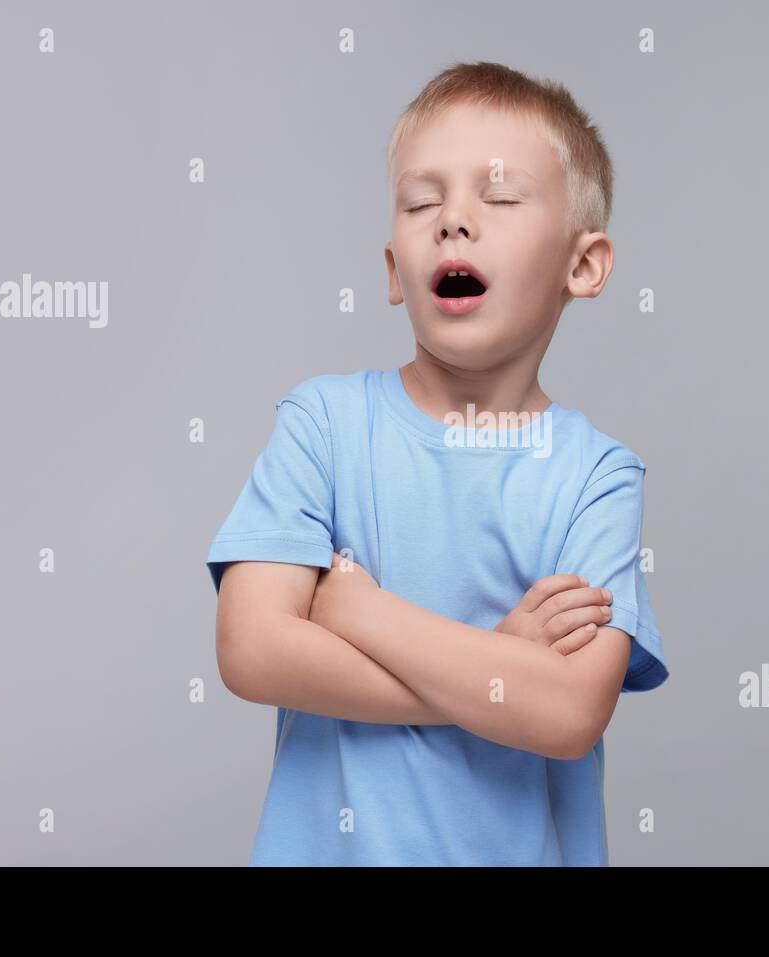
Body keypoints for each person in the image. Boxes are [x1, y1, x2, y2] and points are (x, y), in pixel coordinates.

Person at [206, 61, 668, 866]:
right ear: (394, 271)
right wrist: (501, 666)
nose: (453, 220)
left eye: (498, 197)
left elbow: (565, 712)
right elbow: (251, 648)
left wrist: (362, 614)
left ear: (583, 266)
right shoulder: (323, 424)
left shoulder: (598, 477)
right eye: (423, 202)